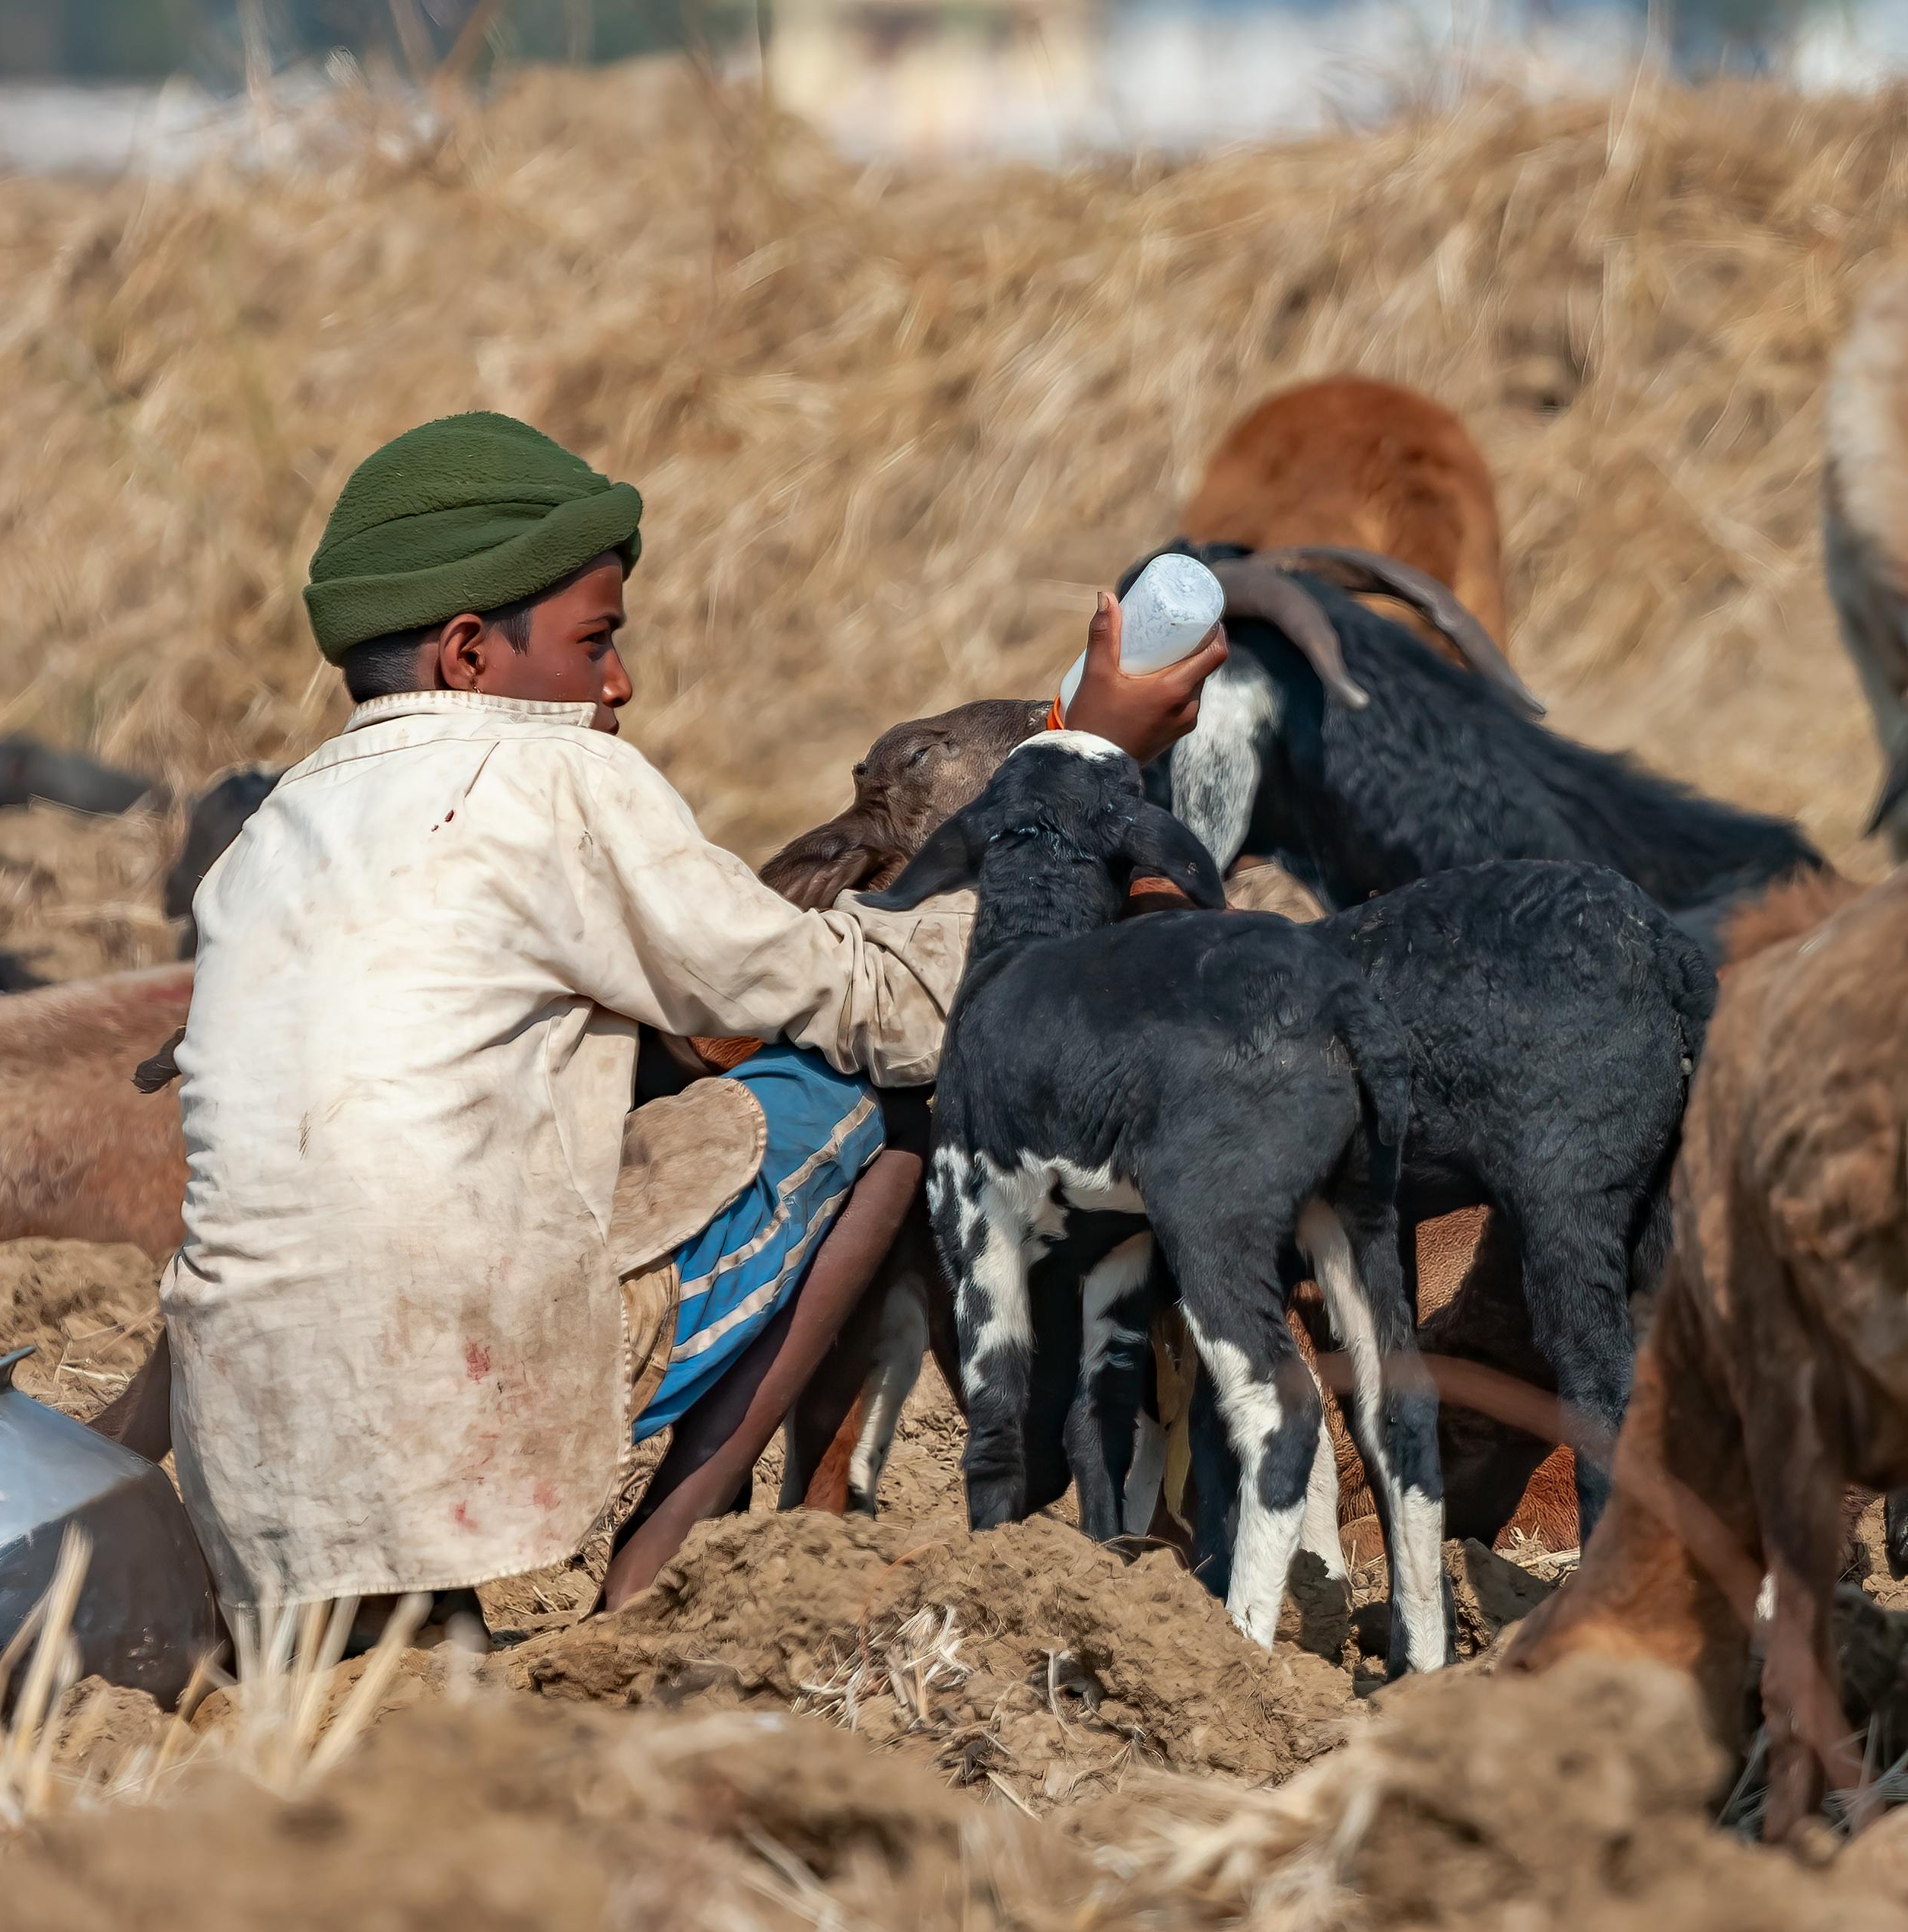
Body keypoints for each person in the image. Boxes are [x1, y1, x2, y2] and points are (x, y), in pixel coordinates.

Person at [94, 410, 1225, 1631]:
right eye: (597, 643)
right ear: (472, 653)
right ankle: (648, 1578)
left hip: (257, 1451)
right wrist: (1086, 766)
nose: (619, 683)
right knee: (877, 1095)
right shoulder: (560, 778)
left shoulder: (271, 837)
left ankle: (401, 1604)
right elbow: (889, 1005)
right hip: (455, 1393)